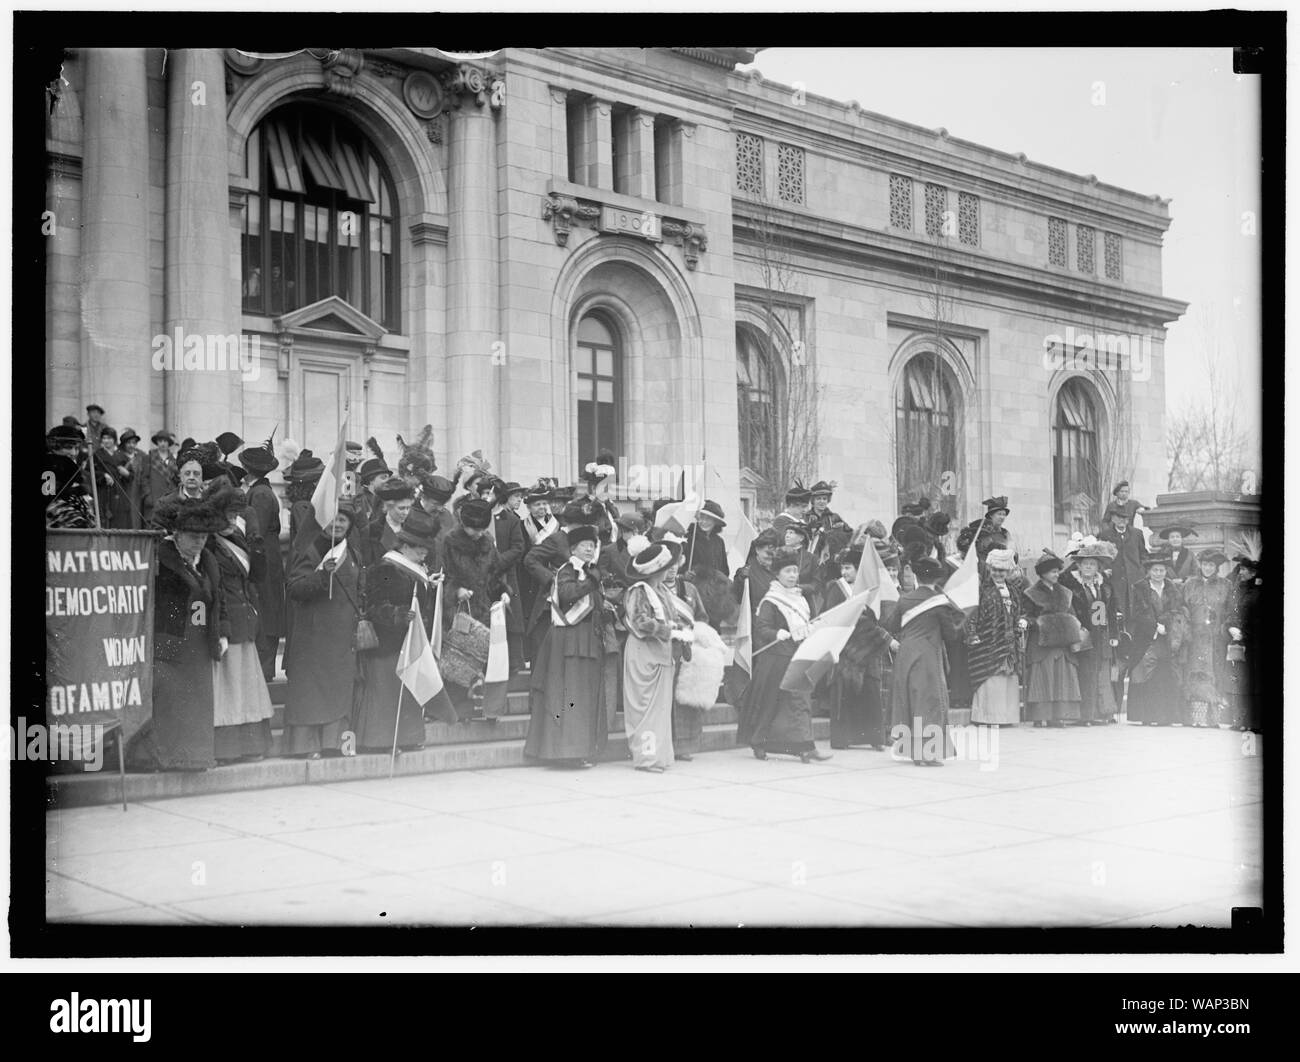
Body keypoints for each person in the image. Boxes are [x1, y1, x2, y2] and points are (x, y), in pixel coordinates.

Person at [125, 498, 224, 771]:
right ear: (177, 535)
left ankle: (194, 759)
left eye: (203, 538)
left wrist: (221, 632)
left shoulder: (208, 561)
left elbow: (218, 600)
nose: (199, 543)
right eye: (193, 537)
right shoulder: (161, 559)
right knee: (169, 704)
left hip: (200, 645)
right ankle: (161, 759)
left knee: (197, 705)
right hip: (169, 644)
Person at [358, 507, 451, 751]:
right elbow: (374, 606)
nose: (424, 553)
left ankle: (409, 738)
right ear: (405, 546)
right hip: (388, 643)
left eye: (426, 549)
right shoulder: (386, 567)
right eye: (420, 549)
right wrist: (397, 614)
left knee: (408, 694)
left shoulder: (418, 570)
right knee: (386, 694)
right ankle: (381, 742)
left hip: (410, 643)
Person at [283, 502, 364, 757]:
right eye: (333, 519)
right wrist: (321, 576)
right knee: (310, 694)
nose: (338, 524)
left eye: (343, 520)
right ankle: (306, 748)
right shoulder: (307, 550)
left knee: (338, 693)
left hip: (342, 636)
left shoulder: (353, 552)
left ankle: (335, 744)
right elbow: (295, 588)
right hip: (313, 635)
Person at [524, 524, 608, 767]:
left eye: (592, 547)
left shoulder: (590, 572)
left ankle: (580, 749)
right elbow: (568, 594)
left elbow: (594, 603)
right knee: (569, 696)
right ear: (573, 548)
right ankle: (565, 752)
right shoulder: (567, 570)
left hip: (587, 640)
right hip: (568, 641)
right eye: (585, 546)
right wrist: (592, 581)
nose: (590, 550)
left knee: (581, 697)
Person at [737, 548, 833, 763]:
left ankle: (806, 747)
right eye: (787, 571)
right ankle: (759, 742)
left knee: (799, 703)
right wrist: (776, 633)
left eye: (795, 571)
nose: (792, 575)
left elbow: (810, 622)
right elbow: (762, 628)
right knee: (771, 704)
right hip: (775, 660)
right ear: (777, 575)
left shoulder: (801, 598)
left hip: (797, 655)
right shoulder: (771, 600)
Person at [204, 484, 275, 762]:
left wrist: (258, 550)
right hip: (226, 623)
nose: (233, 520)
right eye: (228, 514)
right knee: (228, 689)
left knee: (245, 688)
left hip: (245, 619)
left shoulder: (238, 538)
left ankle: (250, 746)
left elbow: (255, 578)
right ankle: (227, 749)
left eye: (236, 514)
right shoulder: (209, 543)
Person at [885, 557, 965, 766]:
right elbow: (952, 634)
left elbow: (891, 624)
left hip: (906, 654)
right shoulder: (940, 601)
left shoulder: (904, 599)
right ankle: (926, 754)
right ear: (937, 577)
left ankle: (910, 749)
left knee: (909, 701)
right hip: (928, 655)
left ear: (917, 576)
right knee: (929, 703)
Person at [622, 541, 688, 772]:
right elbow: (641, 621)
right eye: (667, 567)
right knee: (645, 705)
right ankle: (646, 757)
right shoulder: (639, 591)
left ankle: (659, 755)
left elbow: (670, 618)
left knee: (660, 707)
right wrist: (669, 630)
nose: (671, 570)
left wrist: (679, 629)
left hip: (661, 651)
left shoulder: (662, 591)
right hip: (644, 651)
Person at [441, 498, 511, 716]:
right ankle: (460, 709)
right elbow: (444, 575)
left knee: (484, 657)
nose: (478, 533)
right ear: (463, 524)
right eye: (474, 529)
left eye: (482, 529)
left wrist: (503, 593)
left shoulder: (487, 541)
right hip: (460, 610)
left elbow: (496, 572)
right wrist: (456, 590)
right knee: (460, 658)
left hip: (484, 608)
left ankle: (484, 708)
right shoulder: (450, 542)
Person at [238, 435, 285, 682]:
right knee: (266, 608)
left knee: (266, 609)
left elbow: (255, 530)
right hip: (266, 558)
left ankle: (264, 669)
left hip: (264, 561)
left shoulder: (261, 495)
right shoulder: (260, 491)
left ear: (248, 470)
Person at [1125, 553, 1188, 726]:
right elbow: (1137, 612)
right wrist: (1154, 627)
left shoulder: (1172, 589)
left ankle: (1164, 717)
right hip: (1146, 637)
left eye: (1161, 570)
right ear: (1149, 571)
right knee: (1146, 673)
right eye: (1155, 570)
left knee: (1165, 675)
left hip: (1167, 637)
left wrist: (1167, 624)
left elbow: (1177, 609)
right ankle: (1146, 715)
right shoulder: (1139, 588)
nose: (1158, 573)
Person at [828, 588, 895, 750]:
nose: (845, 571)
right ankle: (843, 739)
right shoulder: (837, 589)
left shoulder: (871, 589)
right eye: (843, 567)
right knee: (846, 697)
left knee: (871, 697)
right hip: (847, 657)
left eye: (849, 567)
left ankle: (875, 738)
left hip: (868, 657)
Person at [1061, 542, 1120, 725]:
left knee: (1101, 673)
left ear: (1098, 568)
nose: (1088, 567)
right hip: (1079, 634)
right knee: (1085, 673)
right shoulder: (1071, 585)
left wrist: (1112, 635)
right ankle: (1085, 715)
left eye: (1092, 564)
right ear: (1078, 565)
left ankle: (1101, 713)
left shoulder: (1102, 586)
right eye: (1085, 564)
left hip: (1098, 634)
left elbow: (1106, 613)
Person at [1022, 553, 1083, 727]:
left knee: (1061, 678)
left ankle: (1057, 716)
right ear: (1042, 574)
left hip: (1062, 644)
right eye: (1052, 572)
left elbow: (1072, 614)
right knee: (1043, 678)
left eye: (1057, 571)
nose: (1057, 575)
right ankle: (1040, 716)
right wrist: (1035, 622)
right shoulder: (1031, 593)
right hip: (1042, 644)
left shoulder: (1065, 593)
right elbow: (1028, 615)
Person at [967, 548, 1026, 727]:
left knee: (1008, 678)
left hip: (1009, 641)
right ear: (990, 569)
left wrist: (1022, 621)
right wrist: (971, 633)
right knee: (990, 677)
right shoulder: (982, 590)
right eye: (995, 570)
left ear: (1007, 572)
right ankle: (987, 717)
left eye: (1002, 571)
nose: (998, 574)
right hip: (988, 640)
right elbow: (972, 615)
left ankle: (1006, 718)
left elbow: (1019, 612)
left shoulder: (1014, 591)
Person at [524, 502, 586, 664]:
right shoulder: (557, 539)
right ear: (571, 523)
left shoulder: (583, 540)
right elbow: (531, 559)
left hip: (575, 600)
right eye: (580, 525)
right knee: (544, 646)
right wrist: (551, 579)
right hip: (552, 602)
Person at [663, 545, 710, 760]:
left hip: (686, 648)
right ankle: (665, 743)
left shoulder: (689, 588)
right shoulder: (654, 589)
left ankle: (683, 746)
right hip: (664, 647)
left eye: (675, 563)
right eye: (667, 564)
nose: (672, 569)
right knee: (665, 698)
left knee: (685, 698)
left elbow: (702, 616)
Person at [482, 477, 527, 672]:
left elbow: (518, 547)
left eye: (489, 493)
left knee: (511, 619)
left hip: (506, 576)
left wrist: (498, 561)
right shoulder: (480, 517)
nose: (486, 497)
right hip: (483, 576)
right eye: (483, 493)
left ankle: (513, 664)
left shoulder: (511, 519)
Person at [1182, 549, 1231, 727]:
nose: (1208, 568)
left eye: (1211, 565)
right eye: (1205, 564)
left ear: (1216, 567)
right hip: (1195, 639)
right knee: (1196, 674)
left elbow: (1230, 610)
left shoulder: (1225, 585)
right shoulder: (1189, 584)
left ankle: (1213, 719)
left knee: (1215, 674)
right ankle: (1195, 718)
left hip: (1216, 639)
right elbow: (1182, 609)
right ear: (1200, 565)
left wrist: (1223, 629)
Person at [1223, 547, 1261, 732]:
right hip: (1238, 642)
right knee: (1239, 680)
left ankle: (1257, 722)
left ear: (1253, 572)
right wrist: (1230, 627)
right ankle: (1240, 720)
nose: (1241, 572)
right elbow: (1231, 611)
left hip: (1255, 643)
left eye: (1245, 569)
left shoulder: (1259, 591)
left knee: (1255, 681)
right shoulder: (1237, 588)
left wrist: (1245, 632)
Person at [366, 477, 415, 566]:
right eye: (401, 508)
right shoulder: (373, 530)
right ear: (388, 506)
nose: (406, 513)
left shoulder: (413, 529)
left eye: (408, 508)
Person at [684, 500, 730, 578]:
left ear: (715, 522)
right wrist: (685, 574)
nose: (703, 522)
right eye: (702, 517)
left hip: (714, 586)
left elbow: (724, 569)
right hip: (695, 585)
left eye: (708, 518)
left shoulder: (719, 541)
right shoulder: (689, 538)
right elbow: (679, 564)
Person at [146, 430, 178, 524]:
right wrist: (147, 495)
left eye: (165, 441)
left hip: (168, 498)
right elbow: (144, 479)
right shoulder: (150, 457)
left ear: (168, 443)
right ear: (157, 443)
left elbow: (176, 480)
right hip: (153, 497)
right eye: (160, 441)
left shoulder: (174, 460)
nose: (163, 444)